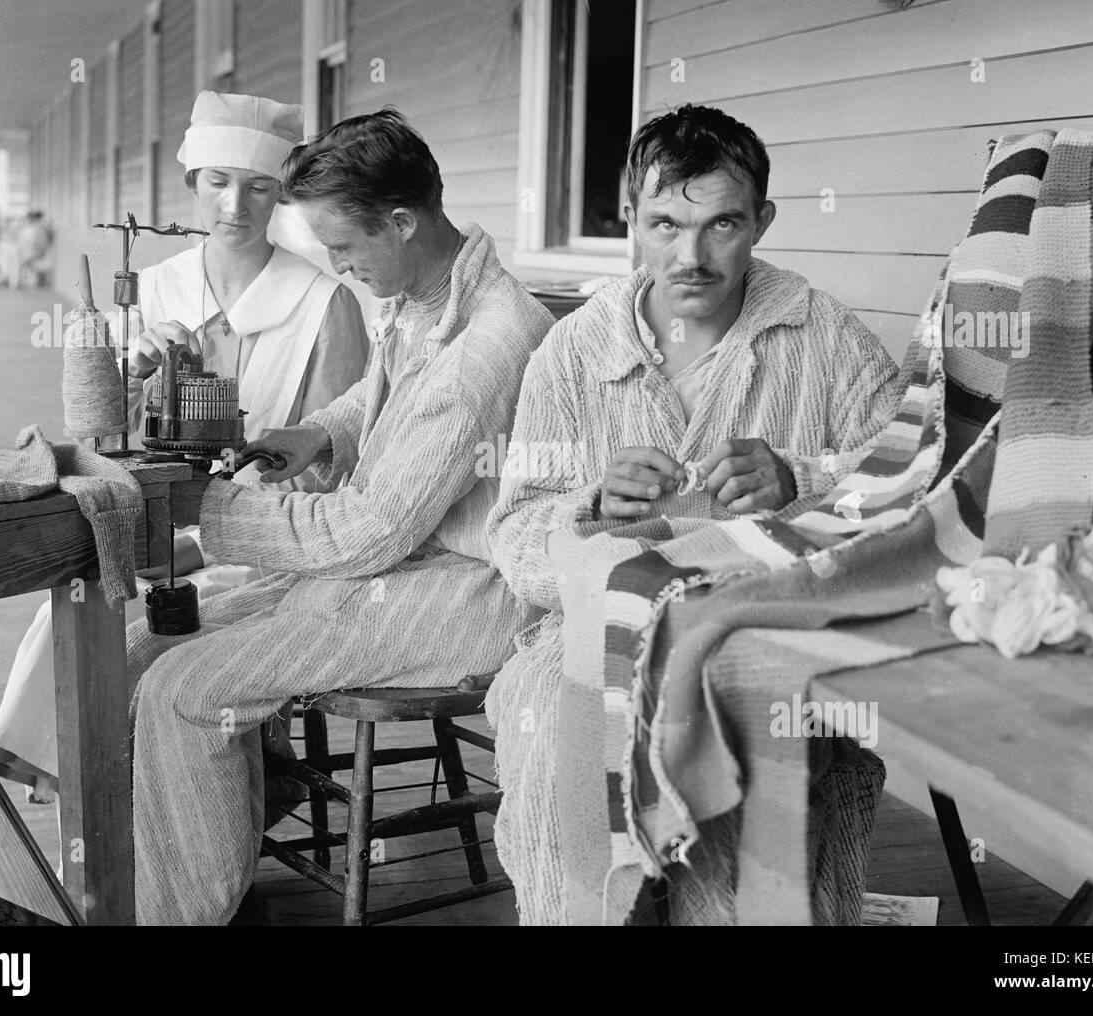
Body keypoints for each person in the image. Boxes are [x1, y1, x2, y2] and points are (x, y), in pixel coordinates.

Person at [121, 108, 553, 925]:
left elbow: (370, 529)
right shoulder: (430, 292)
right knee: (144, 644)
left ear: (401, 219)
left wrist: (208, 509)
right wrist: (320, 429)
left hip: (464, 589)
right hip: (399, 558)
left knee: (183, 688)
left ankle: (183, 911)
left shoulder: (491, 345)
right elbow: (385, 393)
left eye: (345, 249)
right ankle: (195, 854)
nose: (340, 268)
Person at [483, 104, 906, 924]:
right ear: (631, 218)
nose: (691, 255)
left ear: (762, 223)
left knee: (754, 766)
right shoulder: (573, 353)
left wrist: (804, 478)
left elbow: (911, 490)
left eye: (721, 226)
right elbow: (512, 539)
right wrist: (589, 506)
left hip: (762, 639)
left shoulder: (824, 338)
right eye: (664, 224)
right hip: (592, 639)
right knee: (548, 749)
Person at [0, 91, 372, 804]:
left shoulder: (324, 304)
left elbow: (335, 468)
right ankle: (99, 804)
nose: (236, 205)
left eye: (259, 186)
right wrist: (131, 375)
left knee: (147, 634)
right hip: (163, 526)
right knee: (69, 614)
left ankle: (159, 809)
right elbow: (103, 440)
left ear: (282, 192)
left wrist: (230, 514)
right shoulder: (151, 294)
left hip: (267, 547)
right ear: (191, 183)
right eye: (218, 182)